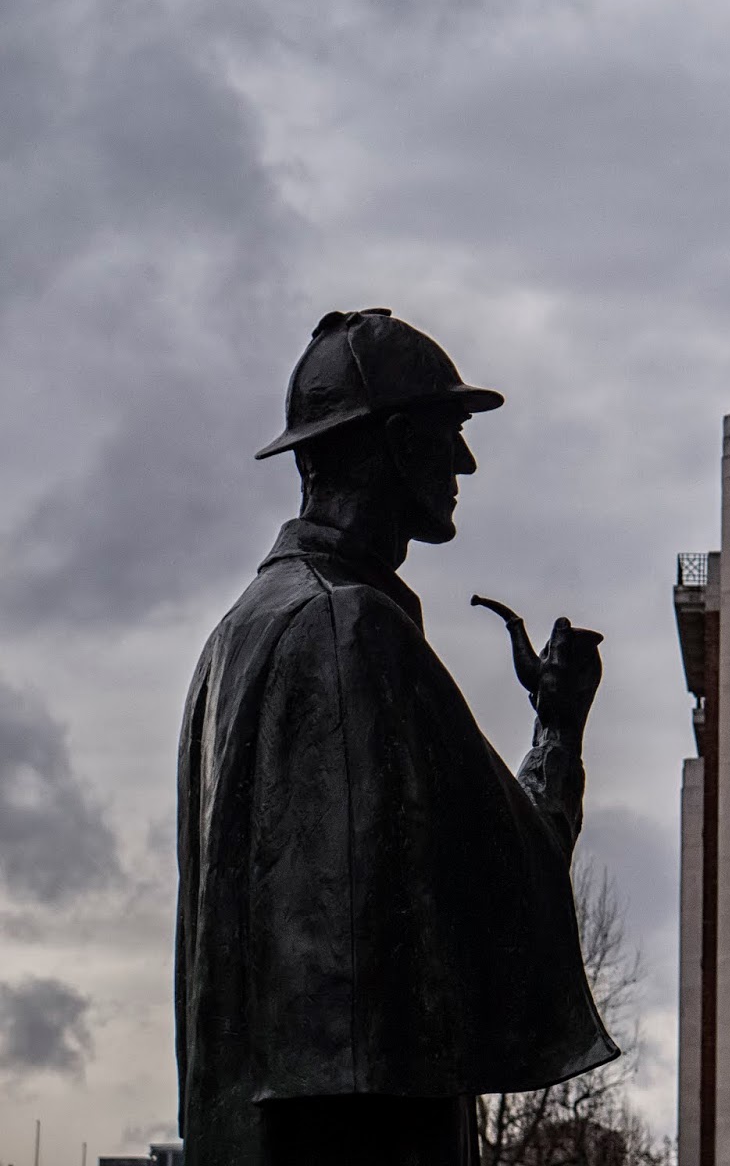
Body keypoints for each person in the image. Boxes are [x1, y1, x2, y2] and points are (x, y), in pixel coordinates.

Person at [175, 309, 617, 1166]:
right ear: (398, 441)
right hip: (363, 1136)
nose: (465, 462)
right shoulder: (353, 630)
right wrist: (558, 730)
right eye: (450, 434)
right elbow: (510, 875)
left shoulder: (230, 643)